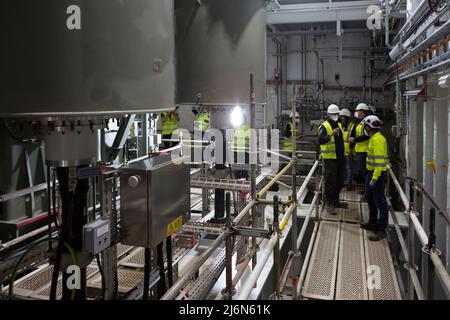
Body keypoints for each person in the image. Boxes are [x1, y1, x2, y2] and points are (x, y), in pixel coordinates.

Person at [360, 115, 389, 241]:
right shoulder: (374, 138)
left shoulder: (377, 140)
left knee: (380, 203)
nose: (364, 129)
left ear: (369, 127)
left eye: (365, 126)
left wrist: (374, 178)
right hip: (371, 174)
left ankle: (381, 230)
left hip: (377, 176)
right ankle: (372, 222)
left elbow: (379, 162)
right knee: (370, 198)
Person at [318, 104, 347, 215]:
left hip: (340, 157)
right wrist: (331, 134)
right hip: (330, 159)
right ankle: (329, 203)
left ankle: (335, 200)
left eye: (336, 114)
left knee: (340, 179)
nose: (335, 116)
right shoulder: (324, 126)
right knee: (330, 180)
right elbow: (321, 140)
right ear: (329, 115)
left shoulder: (337, 124)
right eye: (333, 114)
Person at [349, 103, 371, 189]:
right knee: (363, 172)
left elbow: (366, 135)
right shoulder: (361, 122)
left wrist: (354, 139)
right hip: (361, 151)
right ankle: (366, 191)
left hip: (365, 151)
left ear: (362, 111)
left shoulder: (366, 121)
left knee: (365, 172)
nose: (357, 113)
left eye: (358, 111)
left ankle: (368, 193)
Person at [338, 108, 356, 188]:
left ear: (347, 118)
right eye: (341, 117)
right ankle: (341, 182)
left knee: (349, 168)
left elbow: (354, 139)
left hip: (348, 150)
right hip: (340, 150)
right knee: (341, 168)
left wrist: (351, 149)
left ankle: (349, 183)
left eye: (343, 117)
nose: (342, 119)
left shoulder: (352, 126)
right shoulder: (338, 125)